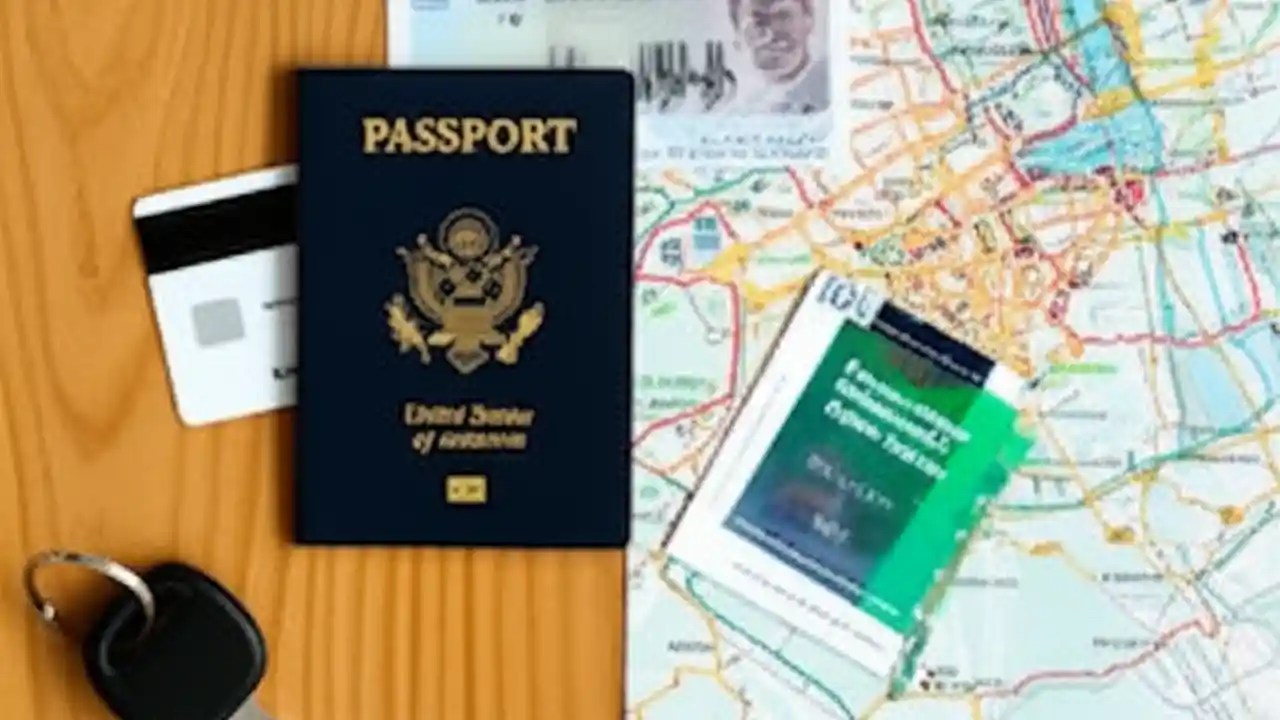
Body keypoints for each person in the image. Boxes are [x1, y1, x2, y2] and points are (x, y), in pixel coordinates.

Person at [728, 0, 829, 113]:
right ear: (737, 30)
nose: (772, 34)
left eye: (783, 17)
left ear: (808, 19)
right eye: (758, 21)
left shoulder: (837, 89)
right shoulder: (733, 113)